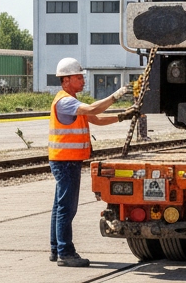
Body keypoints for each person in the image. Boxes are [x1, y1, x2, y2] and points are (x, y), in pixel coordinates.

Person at [49, 57, 136, 267]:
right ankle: (66, 253)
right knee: (66, 209)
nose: (83, 81)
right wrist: (116, 96)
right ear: (66, 80)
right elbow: (93, 110)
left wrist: (123, 116)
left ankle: (56, 249)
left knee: (60, 207)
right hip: (66, 162)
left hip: (66, 162)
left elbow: (97, 119)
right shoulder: (65, 101)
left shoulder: (71, 101)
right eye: (78, 77)